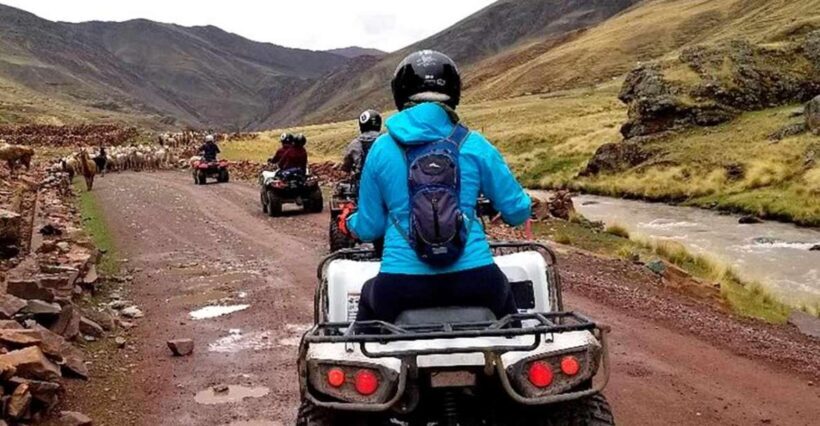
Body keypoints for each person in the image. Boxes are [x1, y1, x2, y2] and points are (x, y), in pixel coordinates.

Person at [339, 50, 532, 323]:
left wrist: (348, 222)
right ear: (454, 90)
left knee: (364, 335)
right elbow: (517, 212)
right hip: (476, 281)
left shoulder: (381, 149)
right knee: (514, 335)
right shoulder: (474, 144)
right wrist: (524, 201)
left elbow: (370, 227)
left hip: (401, 285)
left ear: (400, 93)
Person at [341, 110, 382, 184]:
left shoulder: (354, 144)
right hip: (387, 182)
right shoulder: (387, 140)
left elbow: (346, 168)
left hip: (364, 185)